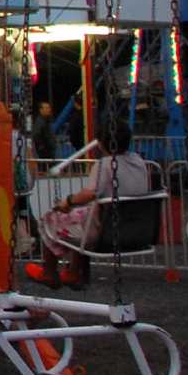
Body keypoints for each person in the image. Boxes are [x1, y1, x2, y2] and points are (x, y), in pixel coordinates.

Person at [28, 123, 152, 289]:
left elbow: (90, 193)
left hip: (105, 233)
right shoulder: (138, 161)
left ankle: (49, 272)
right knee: (81, 216)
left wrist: (68, 201)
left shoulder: (105, 165)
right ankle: (76, 272)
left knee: (51, 218)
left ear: (100, 144)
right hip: (136, 230)